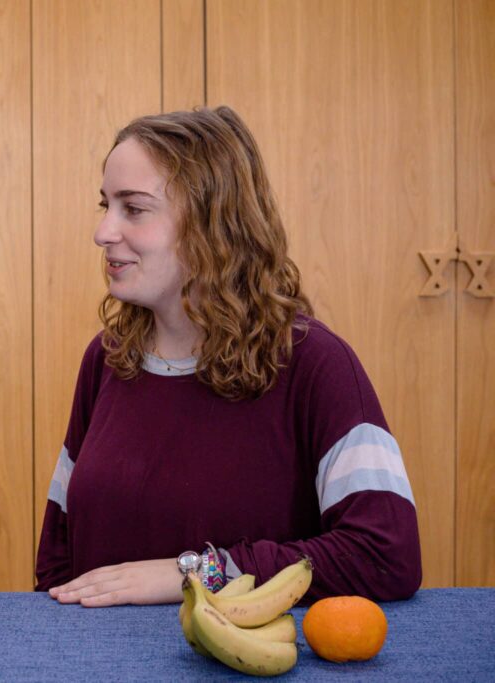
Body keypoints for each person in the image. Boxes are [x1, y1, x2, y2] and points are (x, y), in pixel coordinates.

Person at [36, 107, 421, 606]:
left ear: (213, 225)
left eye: (133, 208)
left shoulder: (316, 364)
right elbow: (57, 556)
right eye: (105, 204)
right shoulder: (106, 359)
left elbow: (385, 554)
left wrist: (198, 574)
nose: (103, 232)